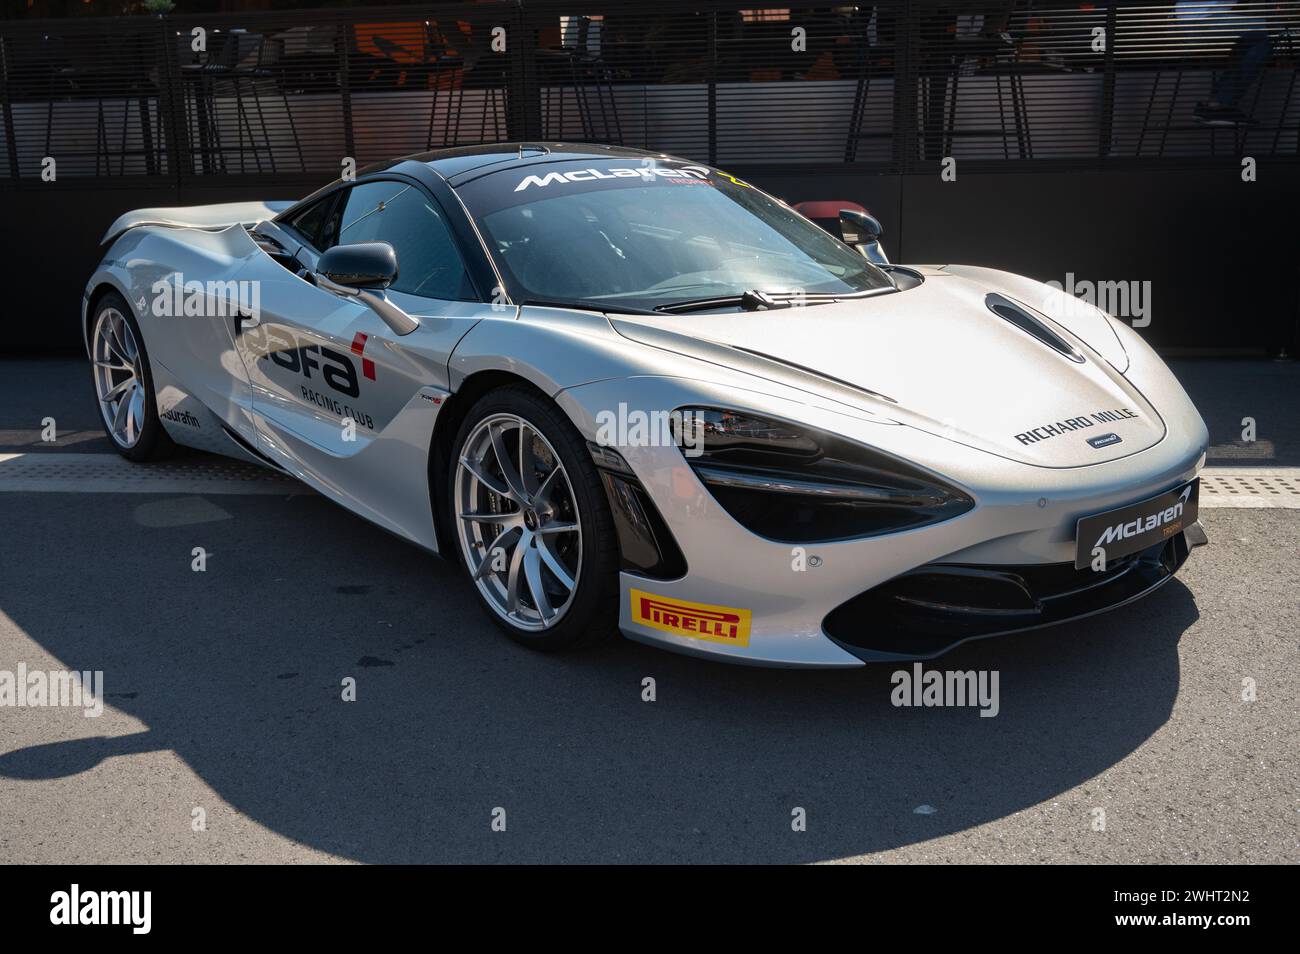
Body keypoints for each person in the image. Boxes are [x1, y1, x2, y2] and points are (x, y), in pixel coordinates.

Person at [1176, 1, 1275, 127]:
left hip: (1195, 18)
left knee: (1251, 39)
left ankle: (1215, 104)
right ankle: (1220, 105)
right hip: (1202, 19)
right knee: (1271, 31)